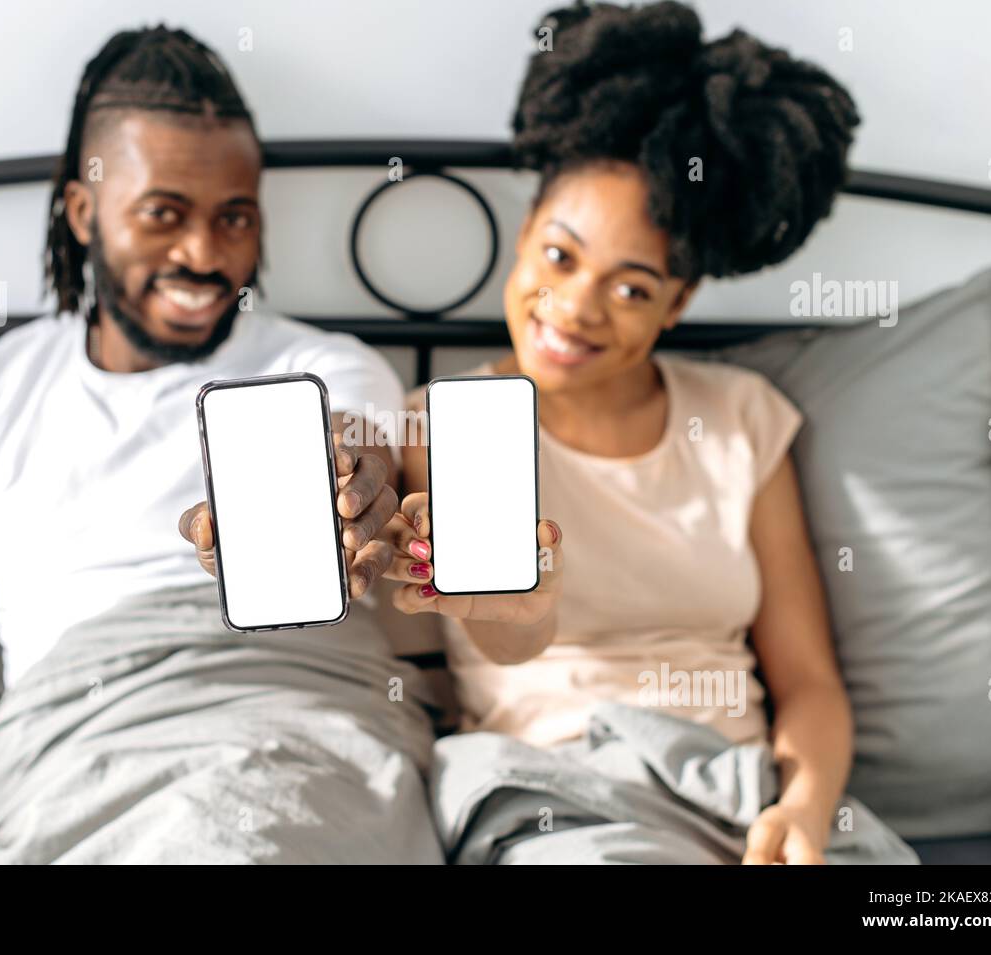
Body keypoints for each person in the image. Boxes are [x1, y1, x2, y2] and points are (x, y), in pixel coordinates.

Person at [0, 25, 440, 865]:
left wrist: (350, 482)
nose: (204, 254)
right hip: (69, 753)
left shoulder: (322, 366)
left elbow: (355, 442)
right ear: (84, 210)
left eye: (234, 218)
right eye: (164, 214)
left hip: (297, 724)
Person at [379, 1, 919, 865]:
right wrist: (522, 601)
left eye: (632, 288)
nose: (577, 307)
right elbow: (505, 634)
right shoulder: (439, 427)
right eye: (559, 257)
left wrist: (807, 809)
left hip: (744, 797)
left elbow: (810, 683)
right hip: (562, 792)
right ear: (523, 239)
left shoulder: (742, 417)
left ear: (680, 303)